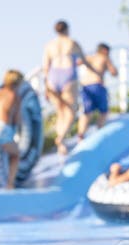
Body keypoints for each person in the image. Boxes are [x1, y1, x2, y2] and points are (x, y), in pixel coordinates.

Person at [43, 20, 98, 155]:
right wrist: (96, 73)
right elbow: (84, 61)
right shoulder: (72, 43)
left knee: (60, 112)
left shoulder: (50, 45)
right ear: (67, 29)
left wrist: (46, 86)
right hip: (68, 75)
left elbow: (46, 67)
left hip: (53, 77)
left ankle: (61, 144)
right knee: (71, 112)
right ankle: (61, 138)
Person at [77, 43, 118, 142]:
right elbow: (114, 72)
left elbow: (78, 62)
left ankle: (80, 135)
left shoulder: (90, 57)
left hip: (85, 86)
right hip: (97, 85)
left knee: (87, 112)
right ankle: (99, 131)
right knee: (104, 111)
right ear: (104, 50)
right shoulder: (104, 58)